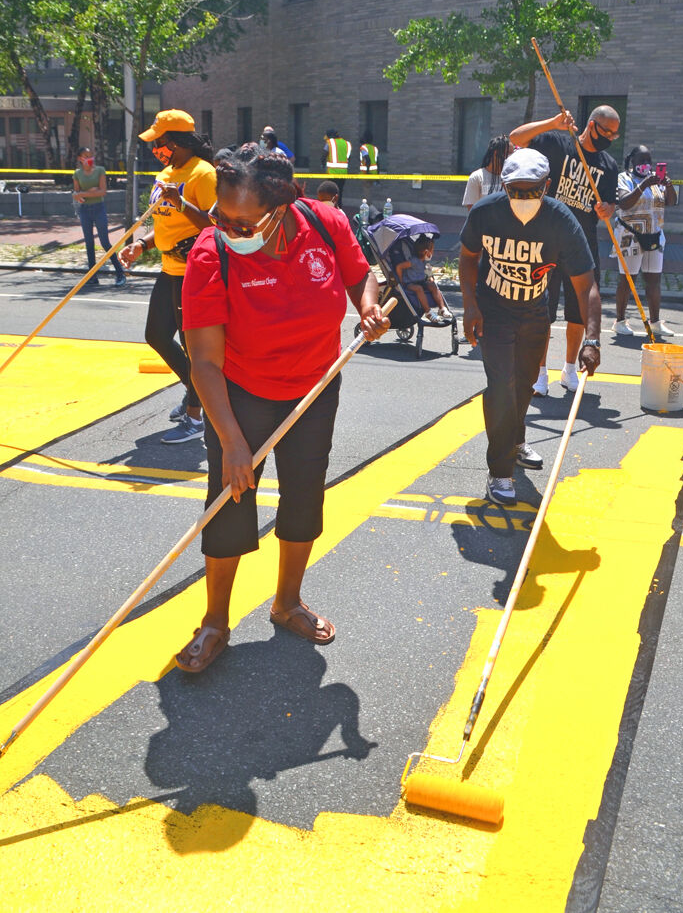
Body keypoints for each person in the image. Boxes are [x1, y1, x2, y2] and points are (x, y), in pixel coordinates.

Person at [175, 145, 389, 671]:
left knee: (304, 496)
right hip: (241, 394)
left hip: (315, 388)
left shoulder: (324, 222)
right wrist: (231, 442)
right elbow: (204, 362)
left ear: (282, 207)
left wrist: (367, 307)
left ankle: (287, 603)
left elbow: (361, 274)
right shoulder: (210, 253)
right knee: (230, 501)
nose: (228, 229)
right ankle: (215, 621)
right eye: (221, 217)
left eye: (242, 223)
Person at [460, 148, 601, 506]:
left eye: (532, 190)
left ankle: (516, 441)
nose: (523, 198)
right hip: (494, 313)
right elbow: (468, 257)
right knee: (501, 387)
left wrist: (593, 339)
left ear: (547, 186)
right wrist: (470, 306)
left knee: (523, 386)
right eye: (515, 191)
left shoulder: (560, 220)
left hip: (535, 314)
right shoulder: (486, 211)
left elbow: (586, 285)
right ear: (504, 186)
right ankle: (500, 471)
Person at [119, 109, 217, 444]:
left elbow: (216, 224)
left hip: (195, 273)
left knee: (194, 348)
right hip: (168, 268)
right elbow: (163, 223)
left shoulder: (203, 174)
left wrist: (181, 202)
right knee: (157, 336)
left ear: (175, 142)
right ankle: (196, 390)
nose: (155, 149)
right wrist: (141, 245)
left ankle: (196, 417)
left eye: (158, 142)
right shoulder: (166, 173)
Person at [510, 107, 618, 396]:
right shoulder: (558, 144)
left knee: (578, 312)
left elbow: (610, 203)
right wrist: (553, 123)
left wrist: (608, 209)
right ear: (592, 125)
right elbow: (516, 138)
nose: (610, 138)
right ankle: (539, 372)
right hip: (546, 241)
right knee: (542, 311)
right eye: (607, 132)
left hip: (581, 244)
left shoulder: (608, 165)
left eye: (614, 135)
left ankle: (570, 368)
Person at [611, 145, 678, 338]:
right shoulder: (624, 178)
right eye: (642, 161)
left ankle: (655, 322)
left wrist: (668, 185)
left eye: (649, 161)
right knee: (628, 279)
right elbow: (624, 203)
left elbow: (671, 202)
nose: (646, 164)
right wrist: (643, 185)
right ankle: (620, 321)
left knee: (654, 280)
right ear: (632, 161)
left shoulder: (656, 180)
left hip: (655, 234)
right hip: (630, 235)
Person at [72, 148, 127, 287]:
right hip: (84, 210)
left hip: (98, 209)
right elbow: (76, 194)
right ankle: (92, 276)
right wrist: (89, 191)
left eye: (91, 156)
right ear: (80, 158)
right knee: (89, 243)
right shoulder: (77, 173)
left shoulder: (100, 170)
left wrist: (84, 193)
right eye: (85, 156)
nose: (89, 159)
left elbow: (102, 192)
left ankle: (120, 273)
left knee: (105, 242)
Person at [396, 235, 452, 323]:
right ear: (426, 252)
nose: (432, 252)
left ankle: (442, 308)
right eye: (432, 250)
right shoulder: (414, 261)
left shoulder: (424, 261)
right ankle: (428, 312)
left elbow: (427, 271)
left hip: (421, 281)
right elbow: (399, 267)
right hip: (410, 283)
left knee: (432, 285)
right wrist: (400, 280)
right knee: (419, 289)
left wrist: (430, 277)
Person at [462, 134, 512, 211]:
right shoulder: (477, 177)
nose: (512, 156)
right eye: (509, 152)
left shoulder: (511, 177)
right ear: (496, 153)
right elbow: (472, 209)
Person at [321, 128, 352, 202]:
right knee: (339, 191)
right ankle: (339, 206)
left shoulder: (330, 142)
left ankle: (332, 207)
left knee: (331, 192)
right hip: (343, 173)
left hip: (332, 173)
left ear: (330, 136)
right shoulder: (347, 144)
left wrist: (323, 165)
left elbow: (324, 156)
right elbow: (349, 158)